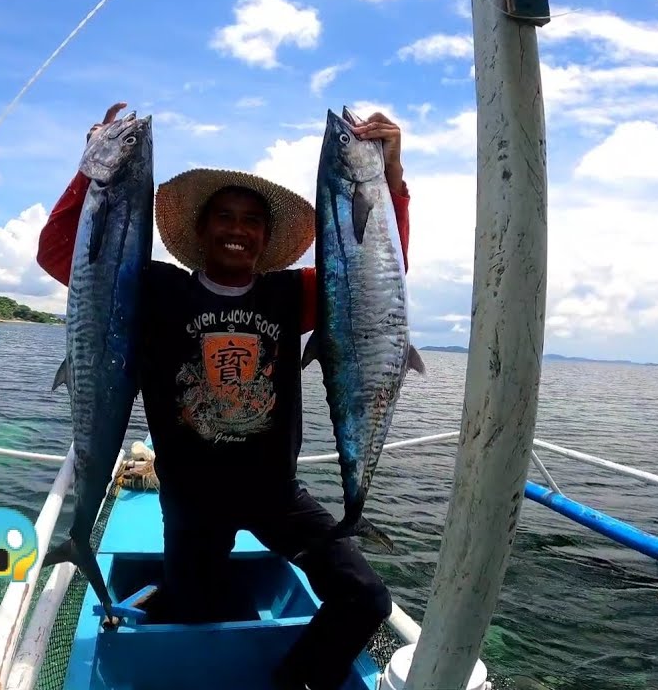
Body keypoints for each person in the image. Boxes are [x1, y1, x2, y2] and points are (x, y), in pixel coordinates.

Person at [35, 101, 413, 690]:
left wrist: (391, 176)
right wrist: (91, 169)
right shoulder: (152, 290)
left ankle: (291, 683)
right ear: (203, 230)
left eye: (251, 221)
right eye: (225, 217)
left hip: (277, 495)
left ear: (266, 237)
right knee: (198, 614)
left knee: (366, 598)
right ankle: (172, 597)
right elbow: (63, 255)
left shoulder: (295, 294)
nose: (237, 230)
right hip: (192, 503)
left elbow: (374, 273)